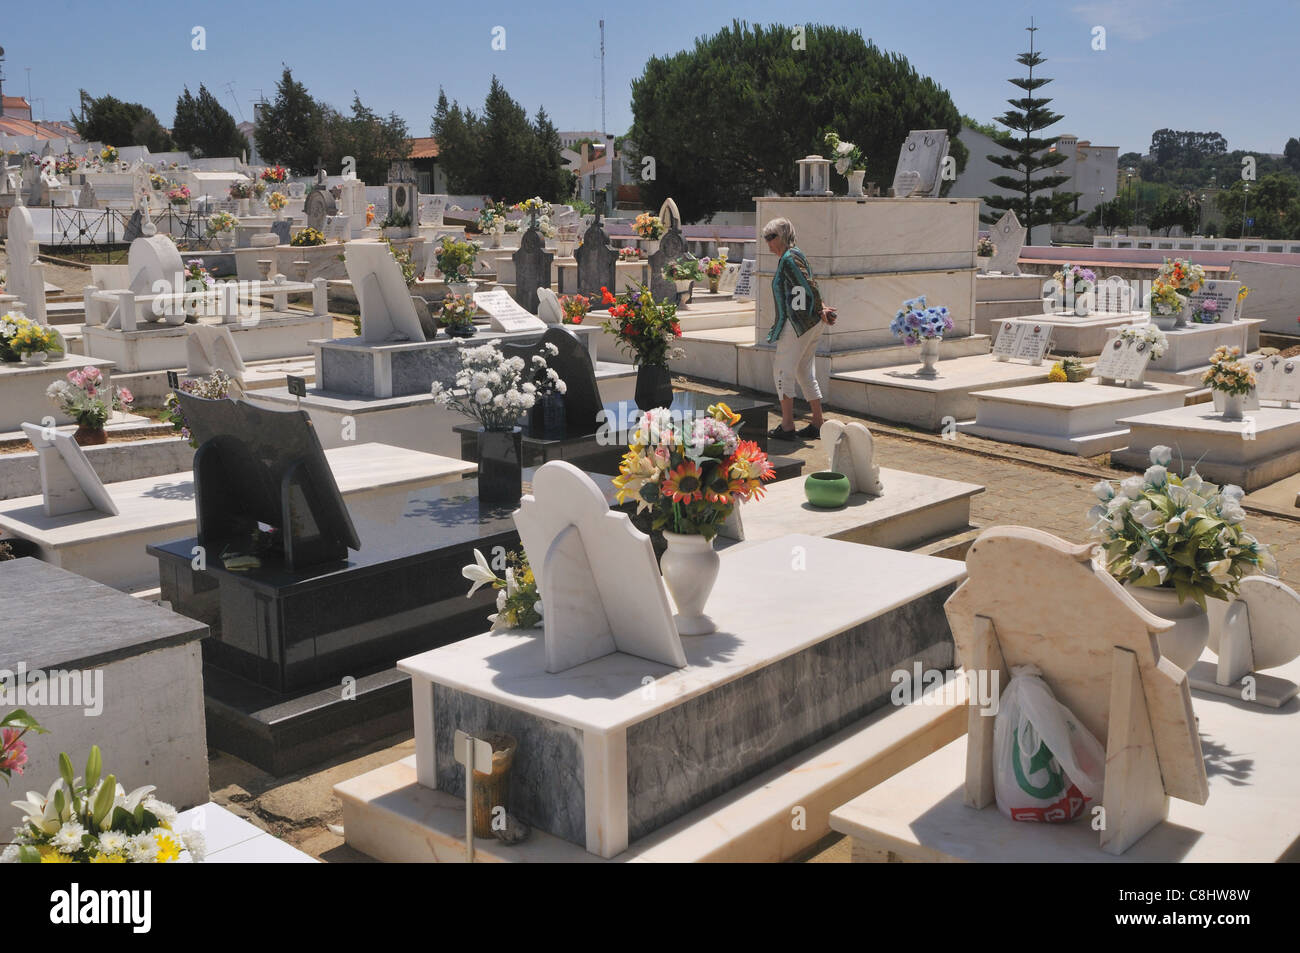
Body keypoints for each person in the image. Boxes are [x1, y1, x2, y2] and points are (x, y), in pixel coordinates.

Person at [763, 217, 835, 439]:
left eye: (770, 237)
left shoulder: (789, 258)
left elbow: (807, 284)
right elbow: (808, 285)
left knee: (782, 370)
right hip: (808, 323)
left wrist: (820, 308)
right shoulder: (795, 255)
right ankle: (817, 422)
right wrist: (820, 309)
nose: (768, 243)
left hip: (797, 324)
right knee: (804, 371)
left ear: (782, 236)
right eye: (766, 238)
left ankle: (787, 425)